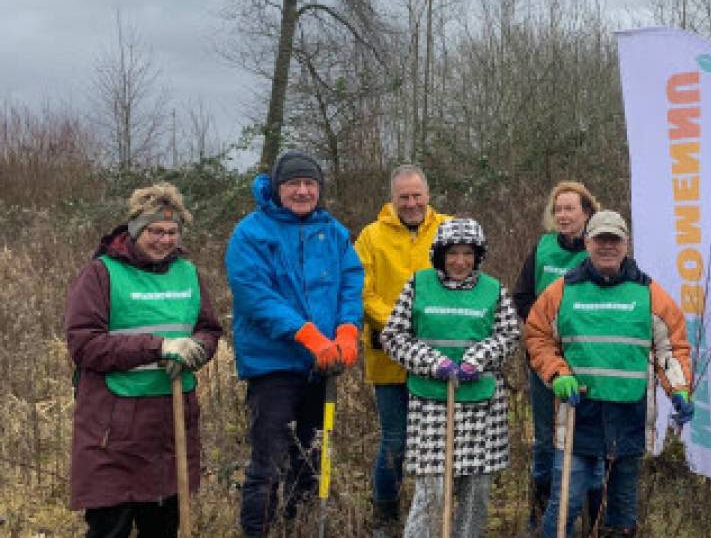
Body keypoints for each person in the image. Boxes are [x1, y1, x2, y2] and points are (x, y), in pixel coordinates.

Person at [65, 182, 223, 537]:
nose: (164, 240)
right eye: (155, 231)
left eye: (172, 232)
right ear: (135, 230)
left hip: (170, 424)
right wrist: (159, 347)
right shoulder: (101, 274)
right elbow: (84, 344)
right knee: (111, 528)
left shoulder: (189, 273)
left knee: (163, 527)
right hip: (113, 427)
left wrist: (196, 348)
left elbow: (209, 329)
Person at [525, 210, 695, 538]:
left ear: (626, 244)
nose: (607, 247)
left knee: (621, 511)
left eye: (614, 240)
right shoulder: (562, 291)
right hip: (579, 414)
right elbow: (538, 336)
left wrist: (679, 389)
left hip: (627, 416)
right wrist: (558, 373)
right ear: (587, 242)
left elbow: (671, 348)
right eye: (600, 240)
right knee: (566, 503)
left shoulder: (649, 293)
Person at [226, 150, 363, 537]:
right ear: (276, 187)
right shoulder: (251, 233)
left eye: (310, 184)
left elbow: (351, 281)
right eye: (293, 184)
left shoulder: (333, 232)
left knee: (310, 458)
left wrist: (348, 330)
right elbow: (255, 295)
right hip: (274, 366)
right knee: (267, 464)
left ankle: (297, 527)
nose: (302, 191)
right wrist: (307, 335)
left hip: (322, 366)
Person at [380, 218, 521, 538]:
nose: (460, 261)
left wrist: (477, 359)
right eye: (453, 253)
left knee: (475, 496)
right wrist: (434, 362)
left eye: (468, 254)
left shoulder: (494, 289)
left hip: (481, 407)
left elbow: (510, 335)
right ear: (440, 254)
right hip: (432, 403)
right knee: (431, 495)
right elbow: (393, 336)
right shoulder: (418, 285)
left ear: (478, 255)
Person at [355, 164, 452, 535]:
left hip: (440, 359)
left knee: (438, 443)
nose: (411, 203)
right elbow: (363, 293)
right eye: (403, 197)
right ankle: (386, 514)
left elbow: (466, 279)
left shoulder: (448, 227)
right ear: (392, 198)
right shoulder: (370, 236)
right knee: (394, 441)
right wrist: (398, 324)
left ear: (428, 195)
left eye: (417, 196)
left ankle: (432, 517)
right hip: (389, 360)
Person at [511, 180, 601, 528]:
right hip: (543, 359)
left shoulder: (600, 247)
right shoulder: (543, 248)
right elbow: (521, 296)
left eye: (570, 209)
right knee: (546, 440)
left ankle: (593, 518)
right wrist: (546, 332)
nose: (563, 215)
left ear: (587, 212)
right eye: (558, 209)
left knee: (587, 437)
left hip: (587, 359)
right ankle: (541, 518)